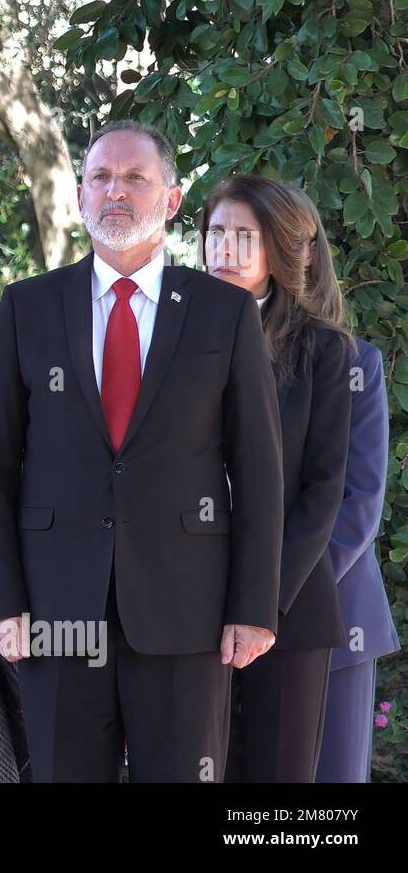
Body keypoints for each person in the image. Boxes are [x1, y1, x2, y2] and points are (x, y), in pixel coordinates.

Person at [0, 120, 285, 782]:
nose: (116, 192)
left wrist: (252, 608)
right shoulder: (27, 306)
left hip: (186, 608)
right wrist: (0, 602)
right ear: (80, 197)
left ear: (170, 200)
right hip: (54, 610)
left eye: (136, 178)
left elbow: (258, 471)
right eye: (101, 178)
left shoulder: (222, 314)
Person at [202, 176, 353, 782]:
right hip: (185, 604)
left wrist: (260, 605)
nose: (226, 253)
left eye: (246, 237)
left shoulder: (323, 351)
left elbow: (323, 492)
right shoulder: (173, 336)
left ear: (282, 251)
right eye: (216, 235)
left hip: (287, 607)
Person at [317, 336, 400, 782]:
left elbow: (360, 504)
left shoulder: (356, 362)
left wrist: (273, 597)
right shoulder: (205, 353)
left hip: (336, 619)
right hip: (222, 624)